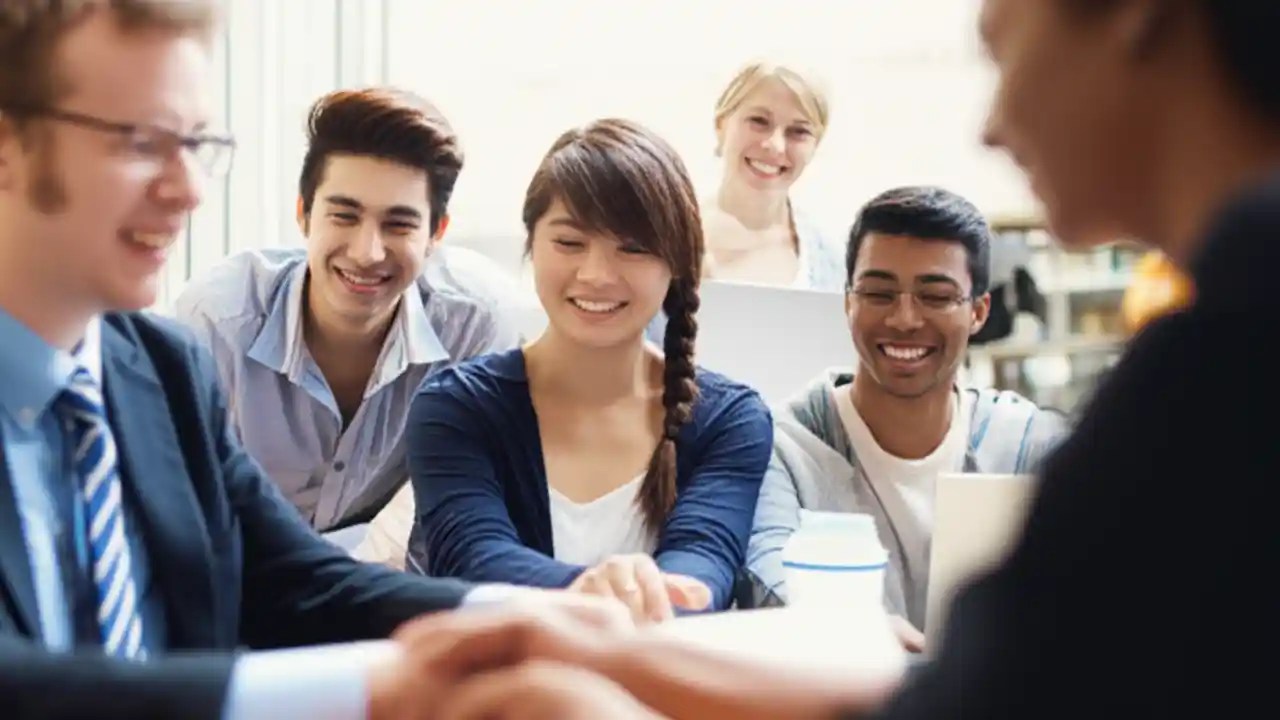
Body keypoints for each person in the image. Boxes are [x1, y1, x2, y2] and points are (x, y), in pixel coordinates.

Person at [369, 0, 1280, 717]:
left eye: (1003, 49)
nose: (993, 128)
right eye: (571, 242)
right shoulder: (1218, 331)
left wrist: (605, 672)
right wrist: (607, 654)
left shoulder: (1218, 361)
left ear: (1140, 14)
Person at [0, 3, 613, 718]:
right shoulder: (213, 325)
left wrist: (520, 616)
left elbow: (294, 580)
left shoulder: (162, 371)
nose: (190, 189)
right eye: (139, 142)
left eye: (196, 143)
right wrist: (371, 689)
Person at [404, 118, 774, 623]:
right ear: (531, 245)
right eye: (570, 243)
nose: (597, 274)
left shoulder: (729, 419)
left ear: (678, 263)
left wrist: (617, 601)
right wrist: (592, 590)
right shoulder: (455, 407)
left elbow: (704, 566)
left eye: (634, 247)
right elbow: (473, 556)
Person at [174, 87, 524, 537]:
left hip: (383, 583)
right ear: (304, 214)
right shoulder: (217, 321)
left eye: (399, 224)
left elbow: (452, 510)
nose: (367, 252)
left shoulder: (475, 322)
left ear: (437, 233)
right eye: (344, 216)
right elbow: (180, 514)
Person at [746, 186, 1068, 636]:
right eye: (879, 293)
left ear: (978, 311)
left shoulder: (1027, 444)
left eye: (935, 297)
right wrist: (855, 632)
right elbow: (770, 577)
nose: (904, 319)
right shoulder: (780, 446)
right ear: (847, 302)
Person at [703, 60, 844, 289]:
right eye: (759, 121)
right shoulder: (662, 241)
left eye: (799, 131)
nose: (775, 145)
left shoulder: (833, 261)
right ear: (721, 125)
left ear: (815, 146)